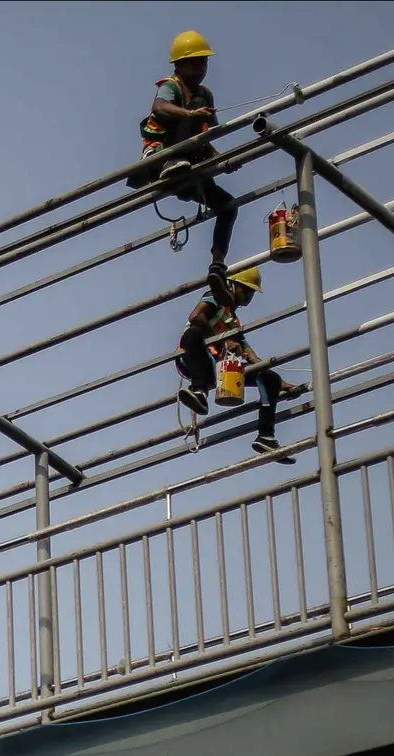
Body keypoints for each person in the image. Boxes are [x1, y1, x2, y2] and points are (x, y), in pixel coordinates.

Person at [138, 29, 239, 293]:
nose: (202, 67)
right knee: (186, 116)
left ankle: (217, 266)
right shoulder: (171, 87)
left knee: (228, 206)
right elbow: (159, 108)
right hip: (162, 158)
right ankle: (170, 164)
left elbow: (205, 138)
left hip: (189, 168)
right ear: (180, 64)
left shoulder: (205, 95)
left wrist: (222, 161)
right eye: (195, 62)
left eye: (204, 62)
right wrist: (189, 113)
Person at [174, 266, 294, 462]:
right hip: (194, 360)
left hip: (219, 369)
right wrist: (222, 340)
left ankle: (266, 436)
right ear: (231, 285)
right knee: (193, 334)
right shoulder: (216, 298)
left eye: (251, 292)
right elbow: (195, 317)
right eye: (245, 290)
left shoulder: (233, 322)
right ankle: (199, 391)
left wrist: (277, 381)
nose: (248, 296)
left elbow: (249, 355)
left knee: (269, 378)